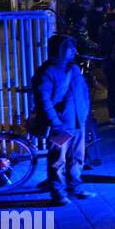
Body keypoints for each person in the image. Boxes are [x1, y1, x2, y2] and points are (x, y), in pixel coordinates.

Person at [29, 34, 93, 206]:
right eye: (70, 48)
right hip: (62, 126)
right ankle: (58, 193)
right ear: (60, 49)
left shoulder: (73, 69)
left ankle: (76, 188)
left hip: (78, 123)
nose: (74, 51)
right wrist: (56, 123)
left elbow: (84, 91)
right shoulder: (47, 72)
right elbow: (44, 101)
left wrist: (85, 112)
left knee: (77, 157)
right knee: (58, 160)